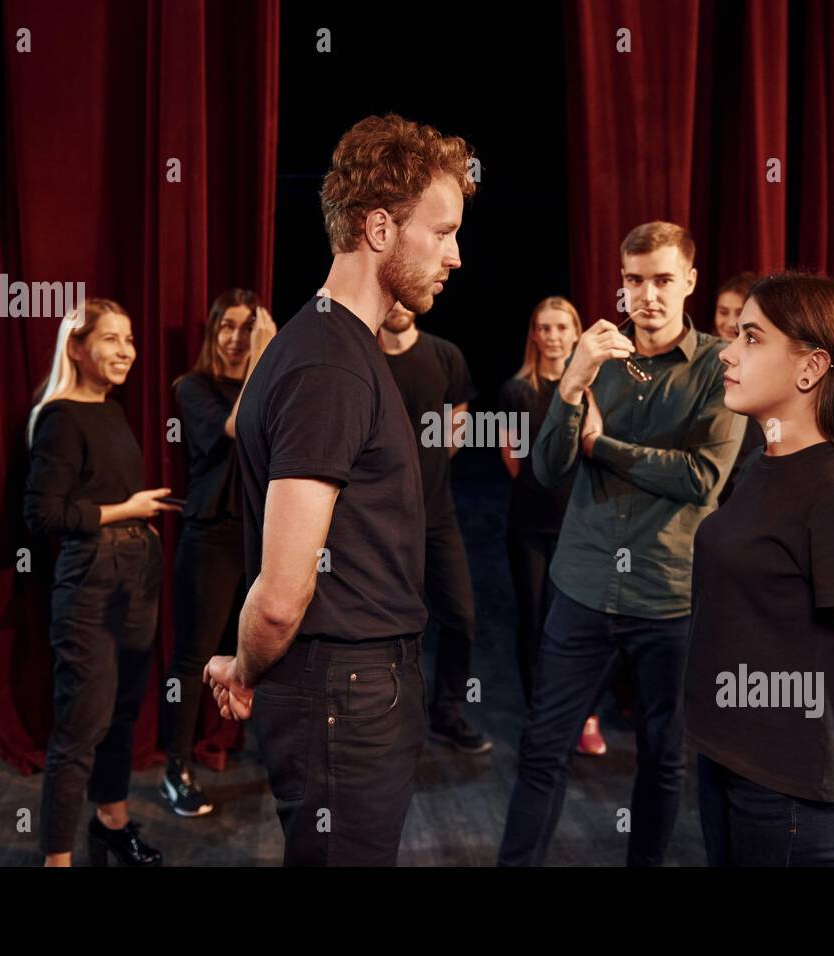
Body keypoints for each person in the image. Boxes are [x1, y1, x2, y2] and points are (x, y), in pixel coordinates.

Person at [202, 114, 476, 866]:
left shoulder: (336, 344)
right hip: (343, 696)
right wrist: (244, 665)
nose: (456, 256)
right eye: (443, 231)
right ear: (380, 228)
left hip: (352, 690)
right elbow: (286, 591)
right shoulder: (328, 364)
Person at [498, 221, 745, 867]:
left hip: (668, 595)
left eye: (663, 279)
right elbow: (548, 470)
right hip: (580, 584)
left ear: (690, 281)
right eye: (634, 280)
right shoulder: (596, 359)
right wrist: (573, 382)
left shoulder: (721, 365)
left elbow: (701, 478)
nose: (648, 295)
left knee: (663, 759)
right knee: (542, 748)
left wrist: (600, 446)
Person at [687, 272, 834, 867]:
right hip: (728, 759)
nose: (728, 352)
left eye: (751, 338)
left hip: (787, 792)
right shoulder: (764, 461)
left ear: (811, 368)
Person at [23, 298, 180, 867]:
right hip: (91, 577)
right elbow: (43, 516)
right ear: (76, 348)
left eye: (129, 339)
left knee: (121, 710)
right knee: (82, 722)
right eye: (111, 339)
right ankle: (57, 858)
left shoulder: (110, 410)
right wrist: (125, 509)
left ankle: (111, 824)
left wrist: (139, 513)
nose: (126, 351)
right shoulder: (62, 417)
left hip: (136, 572)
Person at [160, 290, 276, 816]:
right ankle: (175, 769)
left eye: (248, 327)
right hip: (211, 537)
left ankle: (262, 751)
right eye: (228, 327)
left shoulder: (267, 387)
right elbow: (234, 427)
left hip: (261, 537)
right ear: (214, 333)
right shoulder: (193, 387)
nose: (237, 337)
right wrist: (264, 354)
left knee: (264, 651)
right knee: (192, 657)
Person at [378, 303, 491, 754]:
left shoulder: (445, 354)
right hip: (378, 523)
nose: (401, 307)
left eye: (409, 300)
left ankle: (447, 714)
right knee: (388, 628)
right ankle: (386, 723)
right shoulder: (364, 354)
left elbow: (459, 410)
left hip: (436, 515)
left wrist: (438, 456)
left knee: (460, 617)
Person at [498, 297, 607, 755]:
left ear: (576, 332)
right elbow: (513, 460)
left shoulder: (592, 386)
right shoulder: (516, 390)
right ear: (534, 335)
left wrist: (583, 387)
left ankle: (585, 716)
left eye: (562, 327)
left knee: (581, 625)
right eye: (544, 328)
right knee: (534, 621)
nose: (553, 336)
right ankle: (541, 717)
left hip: (579, 527)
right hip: (530, 525)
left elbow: (595, 445)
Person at [713, 272, 766, 503]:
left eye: (739, 314)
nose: (729, 323)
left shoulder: (765, 373)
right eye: (723, 312)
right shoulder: (705, 361)